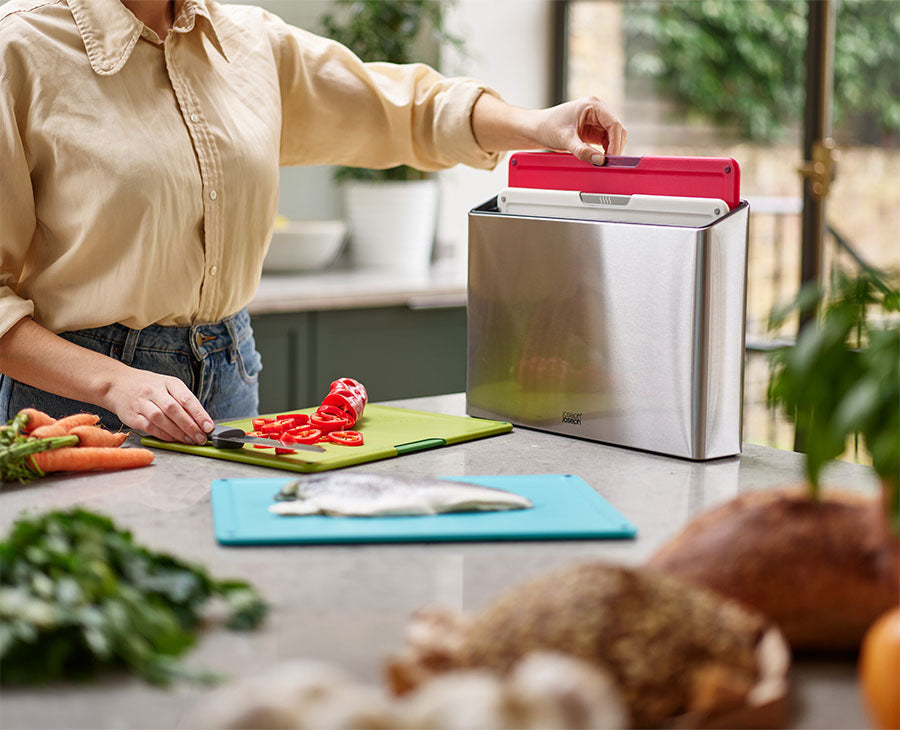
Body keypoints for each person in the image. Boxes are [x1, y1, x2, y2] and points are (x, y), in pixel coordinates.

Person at [0, 0, 627, 445]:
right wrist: (114, 382)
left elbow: (402, 108)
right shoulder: (21, 50)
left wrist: (538, 126)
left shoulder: (249, 41)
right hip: (76, 404)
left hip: (229, 380)